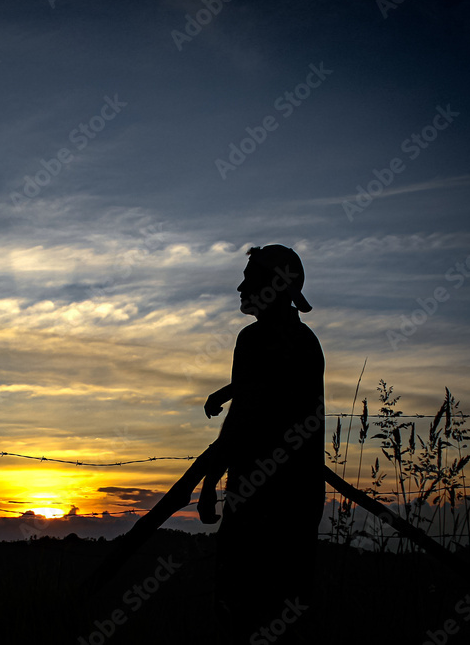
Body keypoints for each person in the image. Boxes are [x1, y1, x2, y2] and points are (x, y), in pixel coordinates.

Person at [197, 245, 325, 644]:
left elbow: (245, 417)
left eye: (249, 279)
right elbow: (269, 385)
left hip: (257, 500)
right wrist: (228, 390)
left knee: (239, 612)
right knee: (285, 614)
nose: (239, 287)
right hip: (301, 500)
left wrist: (208, 482)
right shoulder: (305, 341)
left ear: (274, 285)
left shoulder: (253, 340)